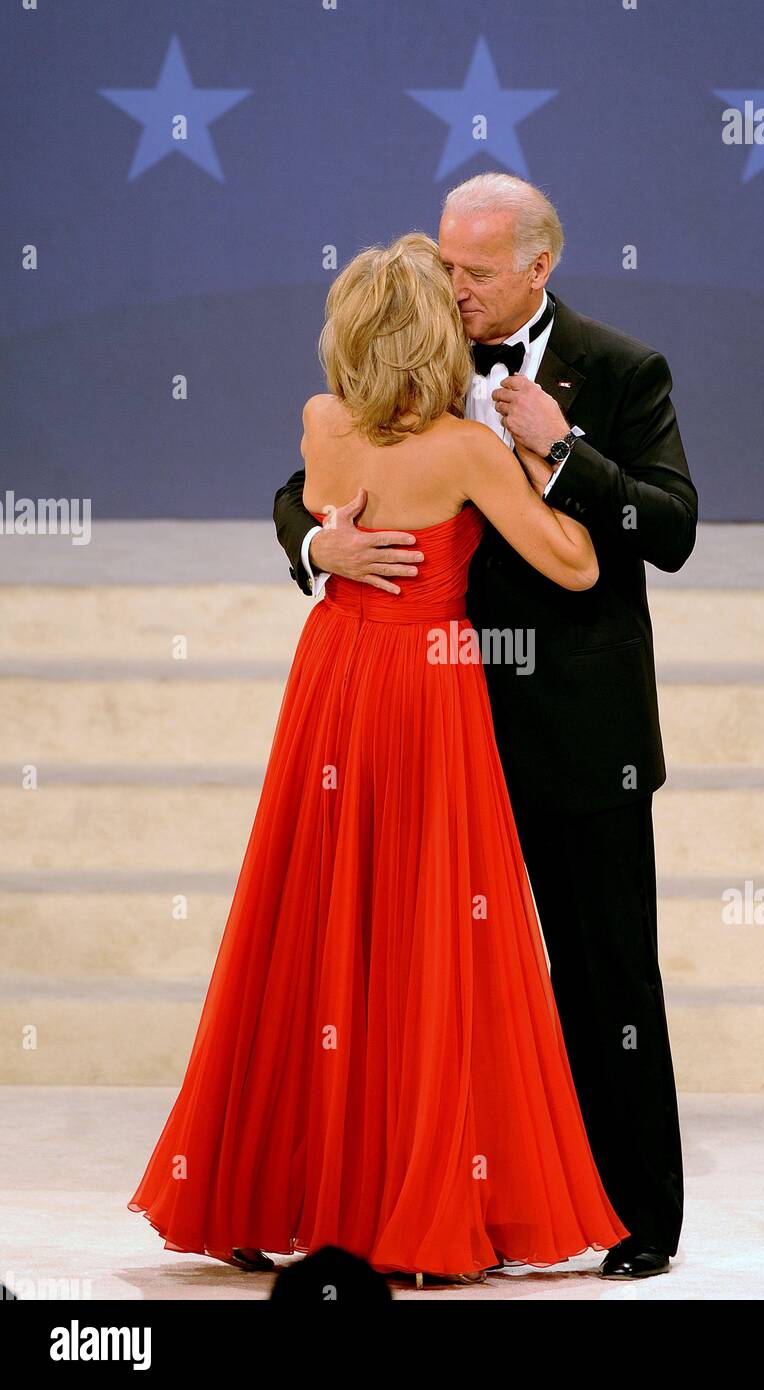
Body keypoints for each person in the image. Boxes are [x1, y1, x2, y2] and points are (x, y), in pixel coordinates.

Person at [128, 230, 630, 1284]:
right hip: (424, 694)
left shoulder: (322, 424)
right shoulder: (466, 449)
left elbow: (318, 509)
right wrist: (553, 454)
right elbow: (577, 565)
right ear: (436, 336)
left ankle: (266, 1189)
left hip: (334, 681)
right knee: (427, 934)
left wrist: (324, 548)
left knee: (309, 923)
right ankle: (425, 1201)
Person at [274, 173, 698, 1279]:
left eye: (474, 271)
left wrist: (562, 453)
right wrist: (321, 549)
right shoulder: (410, 362)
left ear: (537, 268)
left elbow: (669, 530)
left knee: (603, 974)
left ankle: (630, 1213)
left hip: (569, 722)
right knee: (422, 969)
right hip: (427, 723)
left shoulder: (617, 368)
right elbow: (299, 489)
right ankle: (456, 1203)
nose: (453, 287)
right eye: (446, 270)